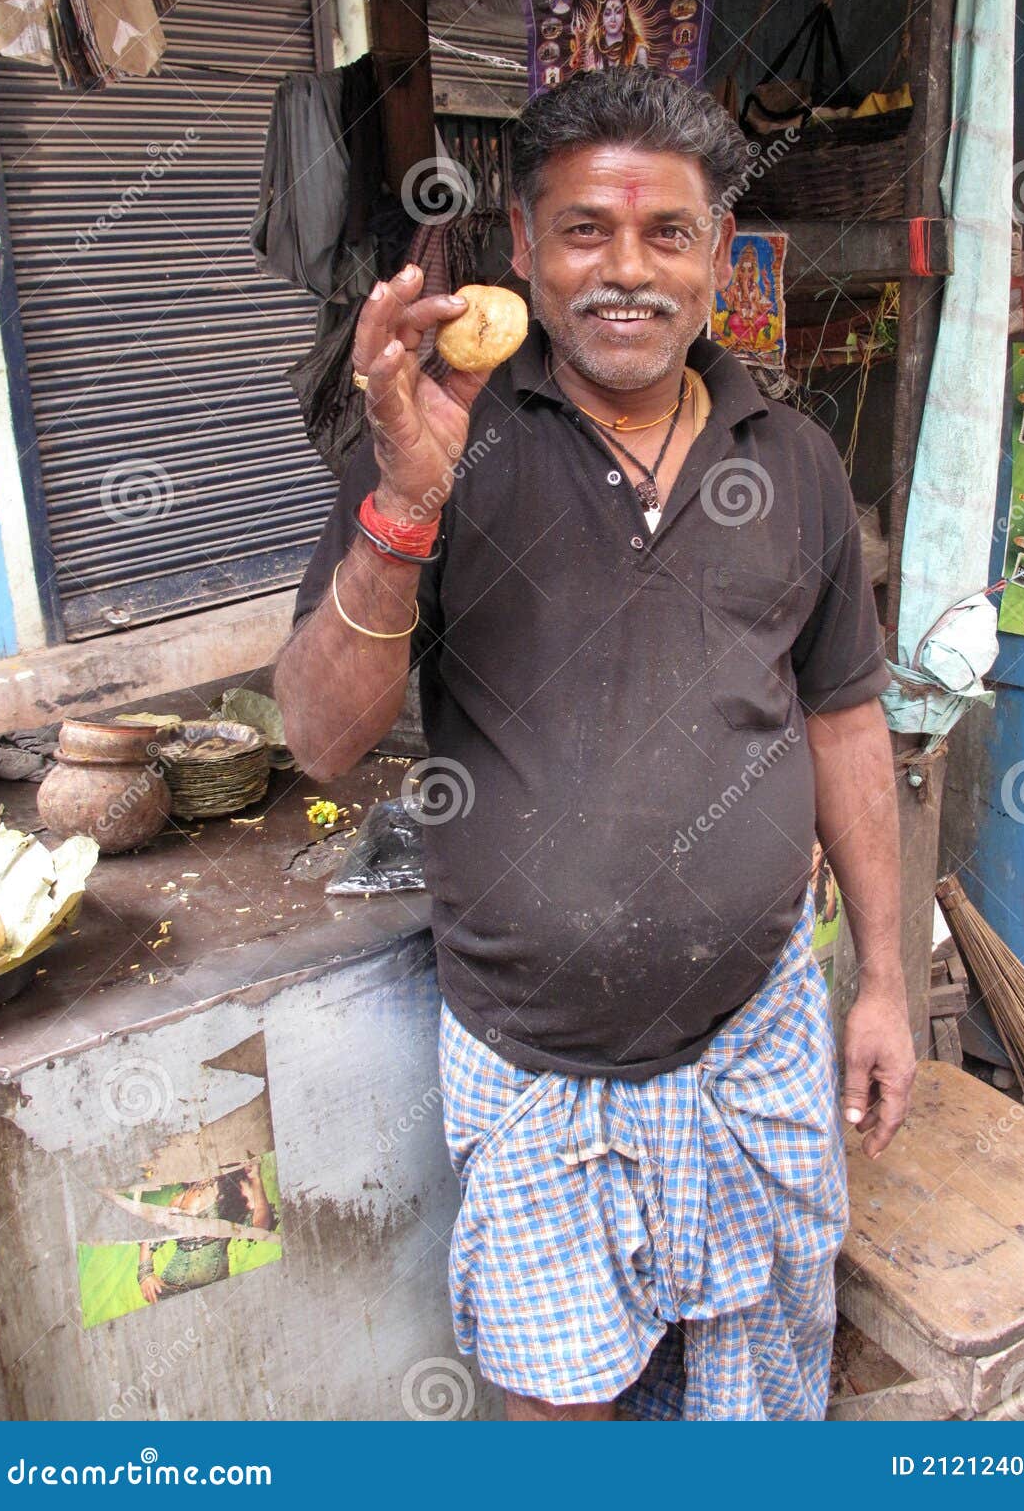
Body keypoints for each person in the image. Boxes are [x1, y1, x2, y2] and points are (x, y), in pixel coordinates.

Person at [275, 69, 913, 1422]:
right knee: (561, 1429)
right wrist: (402, 508)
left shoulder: (789, 458)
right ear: (522, 246)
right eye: (585, 232)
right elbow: (322, 742)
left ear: (715, 253)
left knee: (763, 1412)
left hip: (762, 1047)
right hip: (537, 1077)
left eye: (666, 232)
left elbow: (845, 717)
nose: (628, 271)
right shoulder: (435, 443)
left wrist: (886, 985)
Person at [137, 1163, 274, 1304]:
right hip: (170, 1288)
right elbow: (152, 1234)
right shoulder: (180, 1198)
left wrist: (256, 1179)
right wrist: (145, 1274)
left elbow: (261, 1226)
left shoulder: (232, 1186)